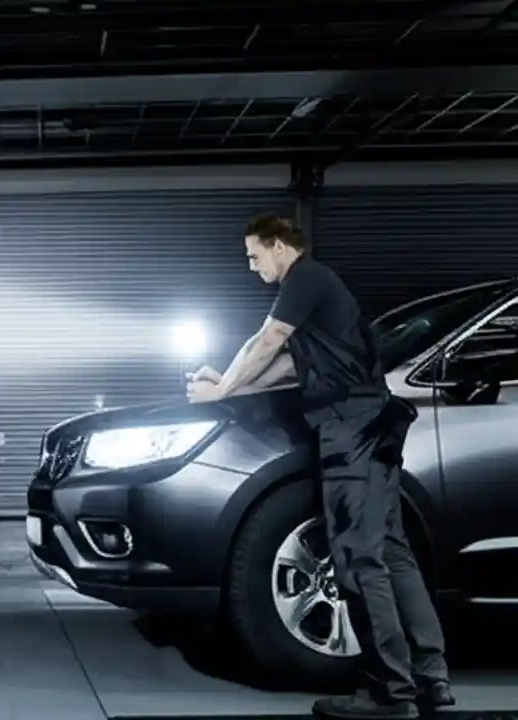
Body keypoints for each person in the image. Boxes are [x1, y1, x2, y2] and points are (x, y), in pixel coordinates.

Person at [185, 213, 452, 719]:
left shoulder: (304, 278)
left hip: (351, 431)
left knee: (357, 558)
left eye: (254, 256)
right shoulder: (321, 295)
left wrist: (219, 393)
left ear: (279, 247)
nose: (251, 266)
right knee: (392, 552)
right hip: (374, 424)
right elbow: (288, 364)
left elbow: (266, 341)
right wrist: (230, 384)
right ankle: (431, 676)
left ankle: (391, 691)